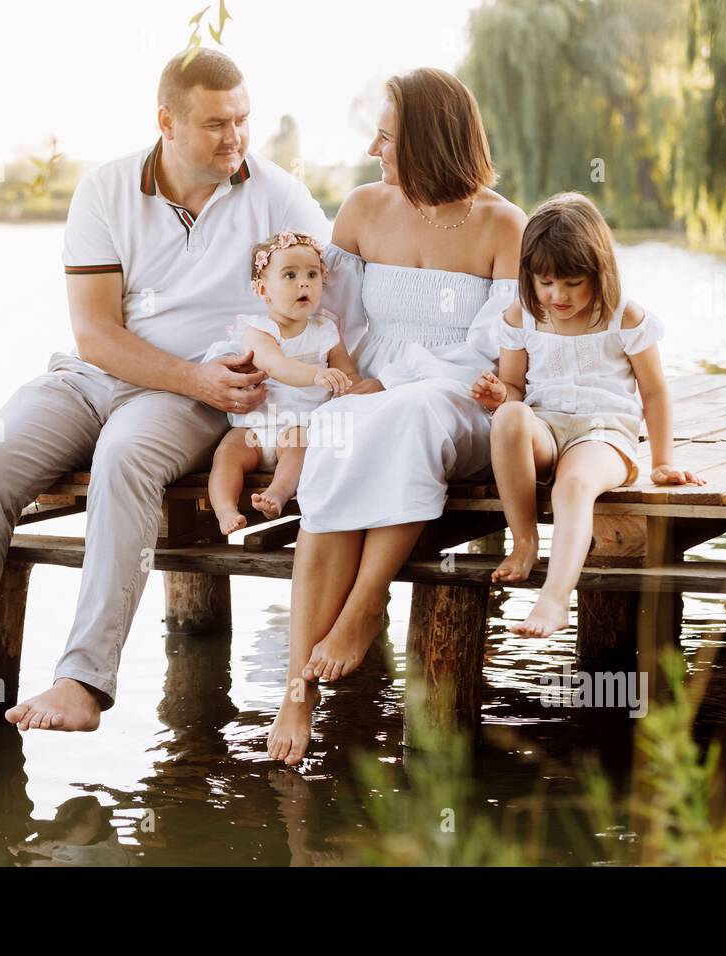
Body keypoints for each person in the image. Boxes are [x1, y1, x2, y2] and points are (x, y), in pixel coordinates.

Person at [0, 49, 331, 734]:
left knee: (124, 458)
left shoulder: (278, 195)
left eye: (243, 120)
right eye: (216, 123)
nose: (235, 138)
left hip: (195, 397)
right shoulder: (105, 190)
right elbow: (97, 335)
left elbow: (336, 283)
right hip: (98, 377)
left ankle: (82, 680)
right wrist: (193, 375)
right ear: (166, 121)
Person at [267, 68, 528, 766]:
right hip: (377, 391)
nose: (374, 148)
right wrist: (351, 381)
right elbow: (333, 322)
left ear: (431, 141)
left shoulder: (504, 226)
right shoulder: (360, 209)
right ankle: (298, 687)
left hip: (461, 400)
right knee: (340, 428)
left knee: (407, 415)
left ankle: (360, 613)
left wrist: (396, 384)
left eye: (387, 135)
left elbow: (501, 353)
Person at [471, 191, 705, 636]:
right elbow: (516, 387)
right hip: (546, 426)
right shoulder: (521, 315)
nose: (557, 295)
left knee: (574, 484)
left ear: (598, 272)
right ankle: (524, 541)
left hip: (603, 433)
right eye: (545, 282)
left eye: (571, 283)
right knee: (508, 418)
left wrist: (662, 462)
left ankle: (555, 601)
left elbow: (654, 392)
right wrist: (499, 394)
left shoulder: (625, 317)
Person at [206, 230, 362, 533]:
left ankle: (276, 495)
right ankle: (225, 509)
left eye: (312, 274)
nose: (303, 282)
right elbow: (276, 365)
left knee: (298, 450)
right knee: (226, 455)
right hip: (253, 428)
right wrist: (316, 375)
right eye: (289, 275)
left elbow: (348, 373)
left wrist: (353, 389)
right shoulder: (258, 330)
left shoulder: (326, 330)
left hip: (297, 424)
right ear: (264, 291)